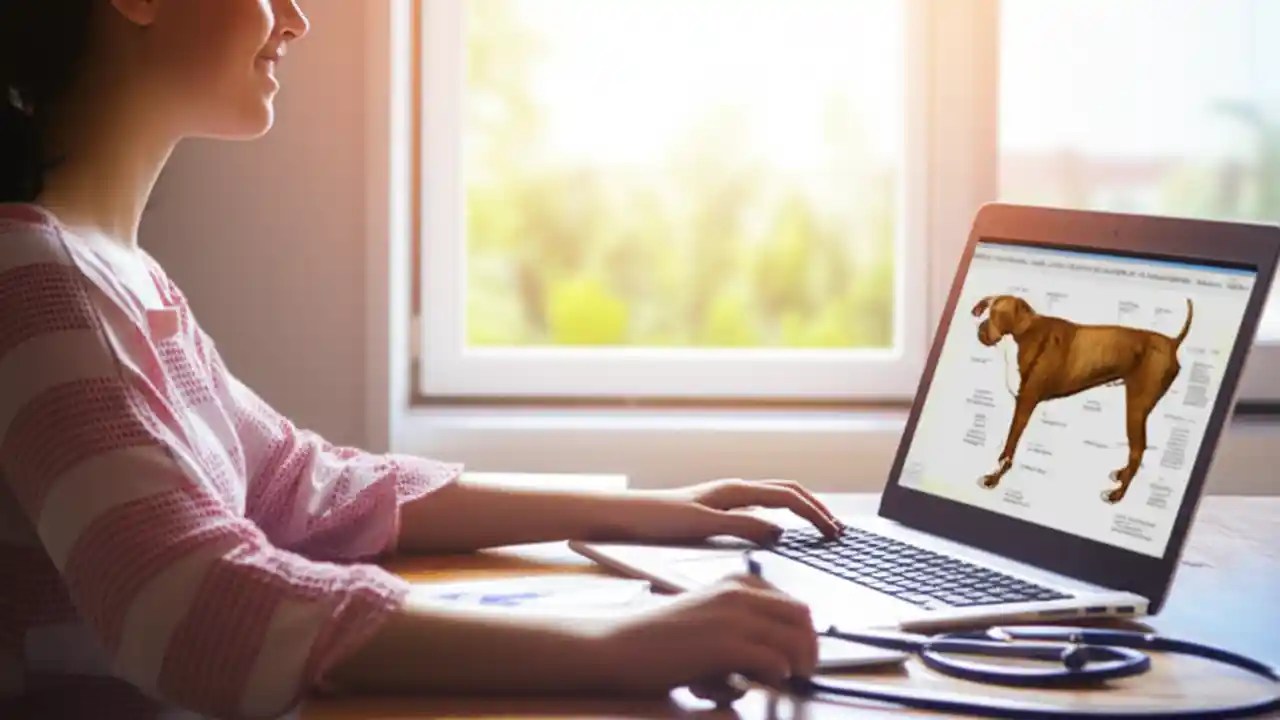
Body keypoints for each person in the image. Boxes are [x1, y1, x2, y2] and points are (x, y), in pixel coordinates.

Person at [0, 1, 846, 718]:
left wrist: (645, 512)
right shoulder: (34, 283)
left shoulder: (112, 275)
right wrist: (620, 641)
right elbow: (186, 603)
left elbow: (299, 484)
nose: (295, 20)